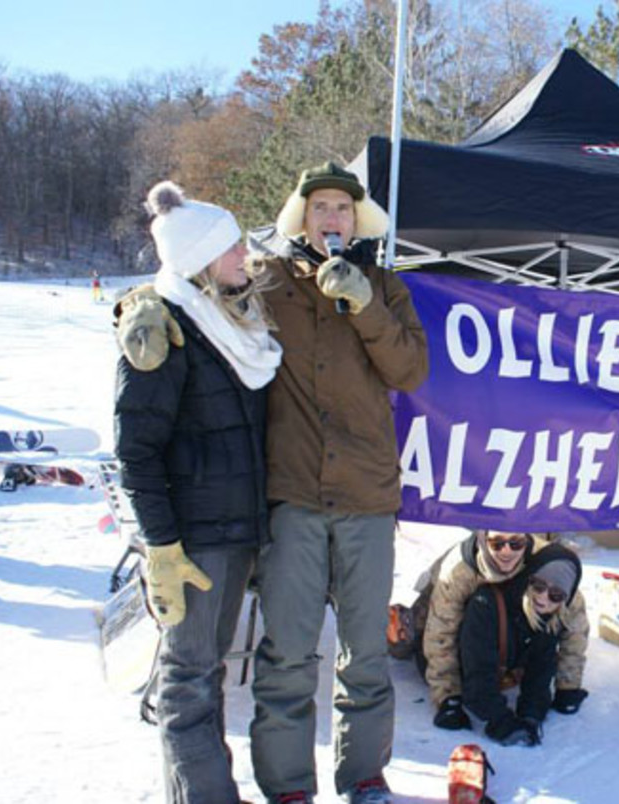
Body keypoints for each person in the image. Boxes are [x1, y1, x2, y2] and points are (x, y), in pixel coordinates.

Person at [116, 162, 428, 804]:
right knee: (286, 657)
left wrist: (365, 307)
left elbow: (411, 371)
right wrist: (136, 302)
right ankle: (288, 787)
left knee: (365, 656)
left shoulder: (386, 287)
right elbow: (191, 290)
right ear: (302, 218)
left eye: (343, 208)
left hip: (369, 497)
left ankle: (364, 775)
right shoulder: (268, 279)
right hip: (291, 499)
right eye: (321, 208)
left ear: (357, 219)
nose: (333, 218)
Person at [115, 181, 281, 803]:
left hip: (235, 534)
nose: (246, 256)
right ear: (200, 259)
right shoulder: (161, 328)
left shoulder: (231, 325)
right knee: (186, 683)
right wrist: (162, 544)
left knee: (206, 678)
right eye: (234, 247)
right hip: (191, 542)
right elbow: (136, 450)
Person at [414, 530, 590, 732]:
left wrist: (568, 685)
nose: (507, 551)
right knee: (414, 638)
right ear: (483, 539)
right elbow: (440, 632)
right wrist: (448, 697)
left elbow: (574, 625)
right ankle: (401, 624)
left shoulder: (545, 563)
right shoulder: (458, 571)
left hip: (501, 609)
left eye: (515, 543)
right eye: (497, 543)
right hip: (438, 604)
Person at [457, 542, 584, 747]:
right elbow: (478, 676)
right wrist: (500, 720)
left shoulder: (550, 618)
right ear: (528, 579)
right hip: (451, 661)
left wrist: (531, 715)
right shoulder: (486, 605)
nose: (544, 598)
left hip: (503, 669)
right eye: (539, 586)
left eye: (556, 595)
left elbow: (541, 672)